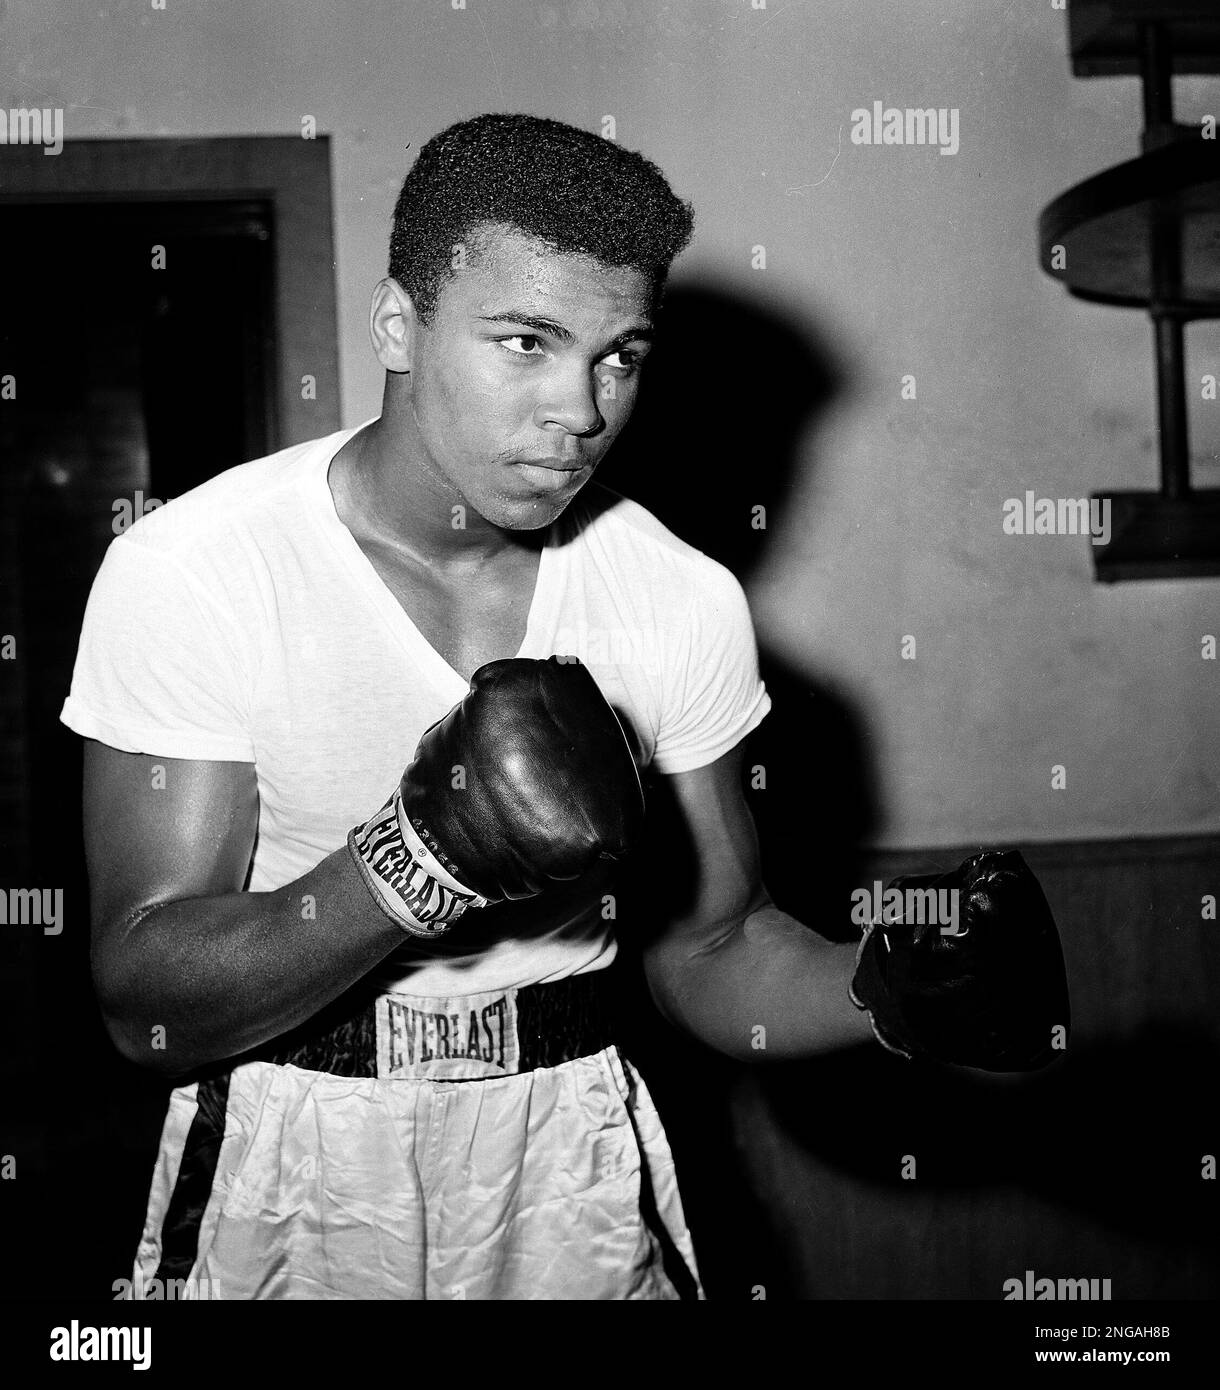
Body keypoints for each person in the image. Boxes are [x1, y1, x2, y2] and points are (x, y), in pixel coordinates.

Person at [61, 113, 1066, 1302]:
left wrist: (882, 986)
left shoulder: (676, 594)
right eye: (526, 341)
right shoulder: (198, 567)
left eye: (619, 355)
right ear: (399, 323)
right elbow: (145, 1004)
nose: (581, 410)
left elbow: (714, 943)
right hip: (292, 1140)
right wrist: (411, 859)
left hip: (569, 1141)